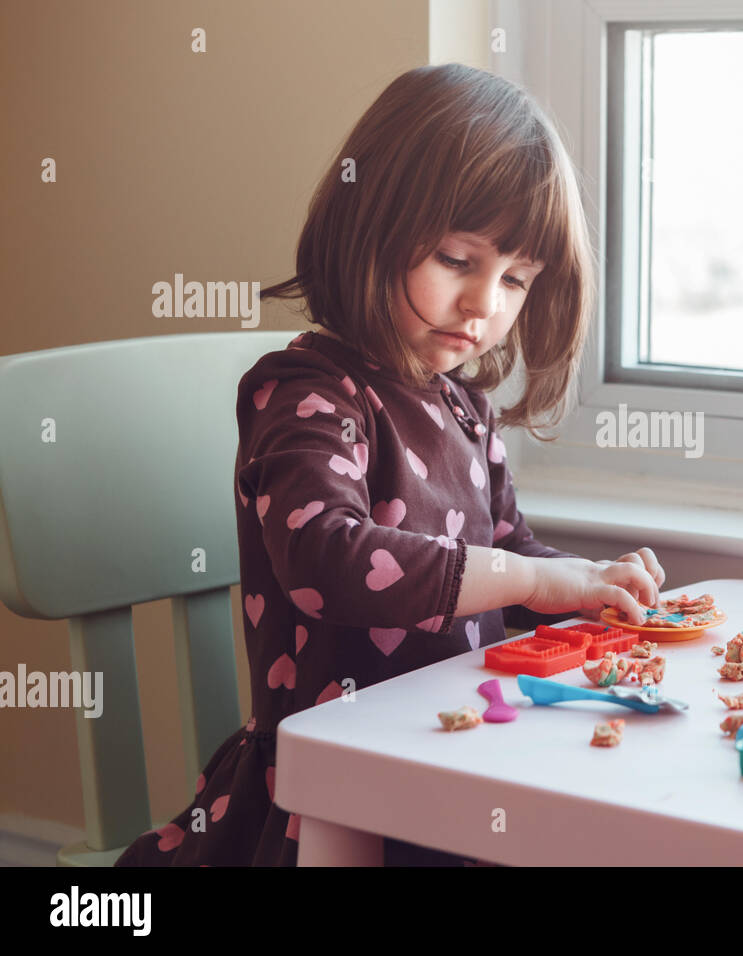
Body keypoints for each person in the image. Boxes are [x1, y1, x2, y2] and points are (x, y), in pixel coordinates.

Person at [115, 63, 665, 867]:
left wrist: (589, 583)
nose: (486, 305)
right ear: (370, 225)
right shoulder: (305, 392)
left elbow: (511, 556)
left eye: (515, 278)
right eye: (456, 259)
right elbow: (327, 560)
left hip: (451, 762)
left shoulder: (463, 408)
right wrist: (536, 584)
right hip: (336, 797)